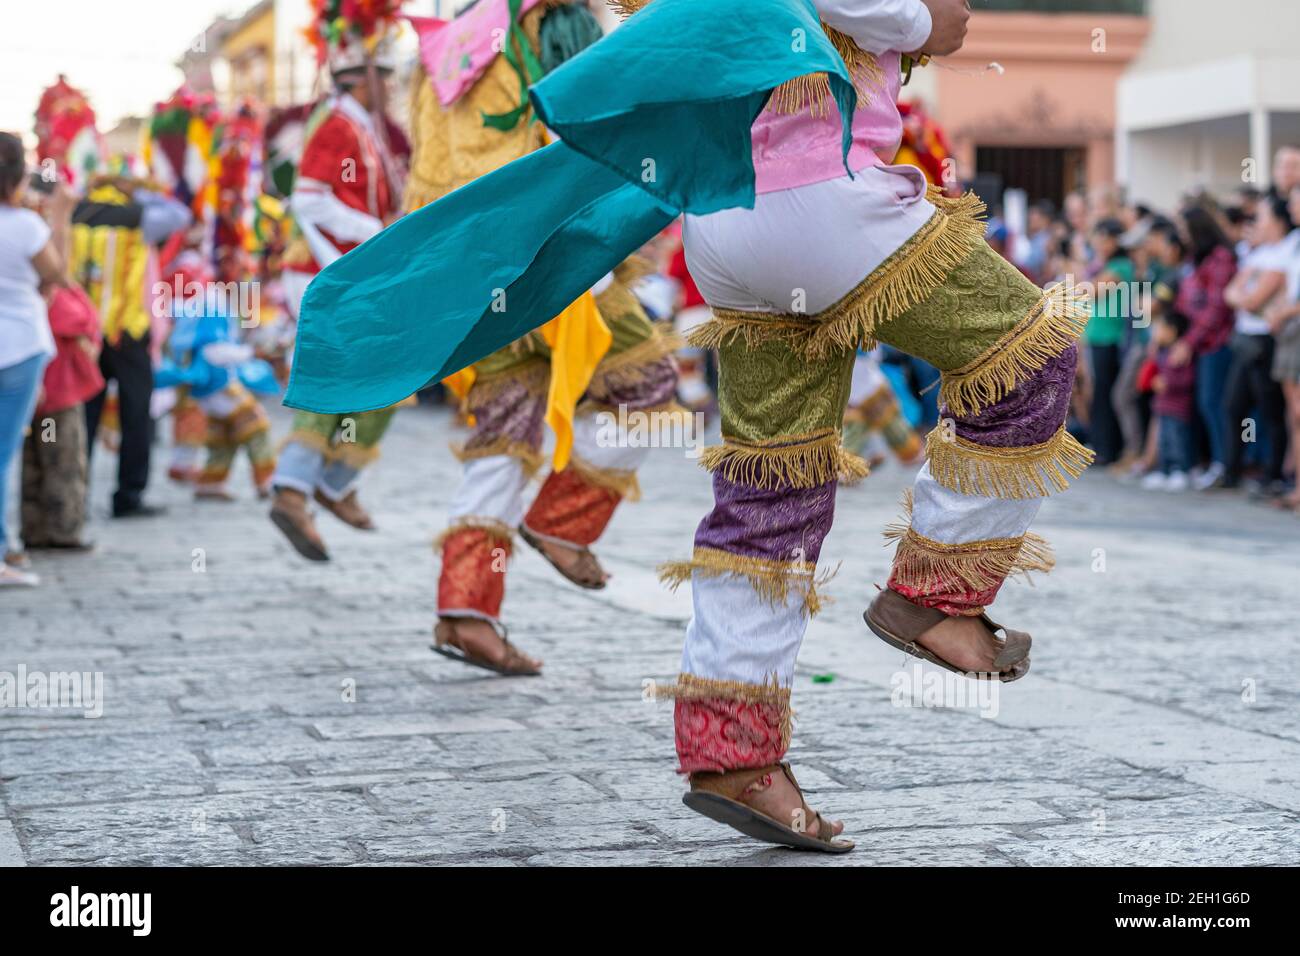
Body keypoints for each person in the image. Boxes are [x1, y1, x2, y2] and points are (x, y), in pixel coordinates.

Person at [405, 0, 683, 674]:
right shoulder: (547, 26)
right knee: (647, 392)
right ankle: (562, 523)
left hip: (466, 271)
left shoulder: (449, 45)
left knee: (503, 438)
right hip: (546, 265)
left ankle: (465, 612)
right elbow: (575, 141)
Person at [267, 1, 411, 562]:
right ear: (366, 77)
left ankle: (326, 484)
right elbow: (307, 198)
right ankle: (295, 487)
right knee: (343, 384)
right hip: (325, 274)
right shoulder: (336, 124)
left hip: (351, 274)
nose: (393, 85)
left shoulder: (366, 127)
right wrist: (375, 231)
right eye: (388, 75)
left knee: (386, 380)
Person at [72, 174, 192, 517]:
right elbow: (179, 214)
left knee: (85, 418)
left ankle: (75, 495)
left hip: (85, 334)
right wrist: (141, 191)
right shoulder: (140, 217)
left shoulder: (75, 214)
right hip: (128, 330)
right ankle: (128, 496)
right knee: (137, 415)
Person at [0, 132, 69, 585]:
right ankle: (4, 550)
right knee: (4, 453)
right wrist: (61, 214)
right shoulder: (24, 225)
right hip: (20, 347)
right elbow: (58, 273)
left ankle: (9, 544)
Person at [21, 281, 102, 552]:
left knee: (35, 463)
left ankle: (35, 528)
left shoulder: (26, 291)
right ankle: (63, 529)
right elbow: (79, 319)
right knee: (60, 461)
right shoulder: (54, 296)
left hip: (36, 397)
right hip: (56, 399)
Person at [1220, 195, 1292, 493]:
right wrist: (1244, 298)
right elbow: (1232, 293)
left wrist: (1244, 298)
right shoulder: (1258, 254)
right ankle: (1232, 471)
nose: (1255, 224)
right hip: (1245, 337)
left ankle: (1272, 473)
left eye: (1260, 217)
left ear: (1276, 220)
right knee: (1233, 406)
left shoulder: (1285, 252)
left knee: (1271, 409)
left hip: (1266, 339)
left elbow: (1252, 299)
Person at [1172, 203, 1238, 490]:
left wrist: (1189, 340)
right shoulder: (1196, 259)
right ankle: (1210, 461)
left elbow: (1216, 308)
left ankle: (1224, 464)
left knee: (1214, 403)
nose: (1182, 236)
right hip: (1198, 341)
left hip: (1216, 343)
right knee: (1201, 403)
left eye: (1185, 230)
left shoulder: (1220, 258)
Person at [1081, 218, 1133, 466]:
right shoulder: (1103, 264)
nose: (1099, 244)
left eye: (1104, 238)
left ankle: (1108, 448)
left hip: (1111, 338)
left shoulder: (1121, 266)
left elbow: (1093, 290)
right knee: (1097, 393)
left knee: (1105, 394)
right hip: (1097, 337)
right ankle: (1099, 444)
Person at [1266, 184, 1300, 511]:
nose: (1291, 209)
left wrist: (1285, 311)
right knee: (1294, 414)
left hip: (1293, 324)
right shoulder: (1293, 244)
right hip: (1290, 332)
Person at [1141, 311, 1196, 492]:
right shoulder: (1162, 352)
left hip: (1178, 407)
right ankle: (1164, 470)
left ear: (1172, 331)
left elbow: (1188, 379)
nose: (1155, 333)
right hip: (1162, 406)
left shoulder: (1180, 353)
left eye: (1159, 328)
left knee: (1177, 440)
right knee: (1163, 441)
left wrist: (1168, 383)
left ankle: (1181, 470)